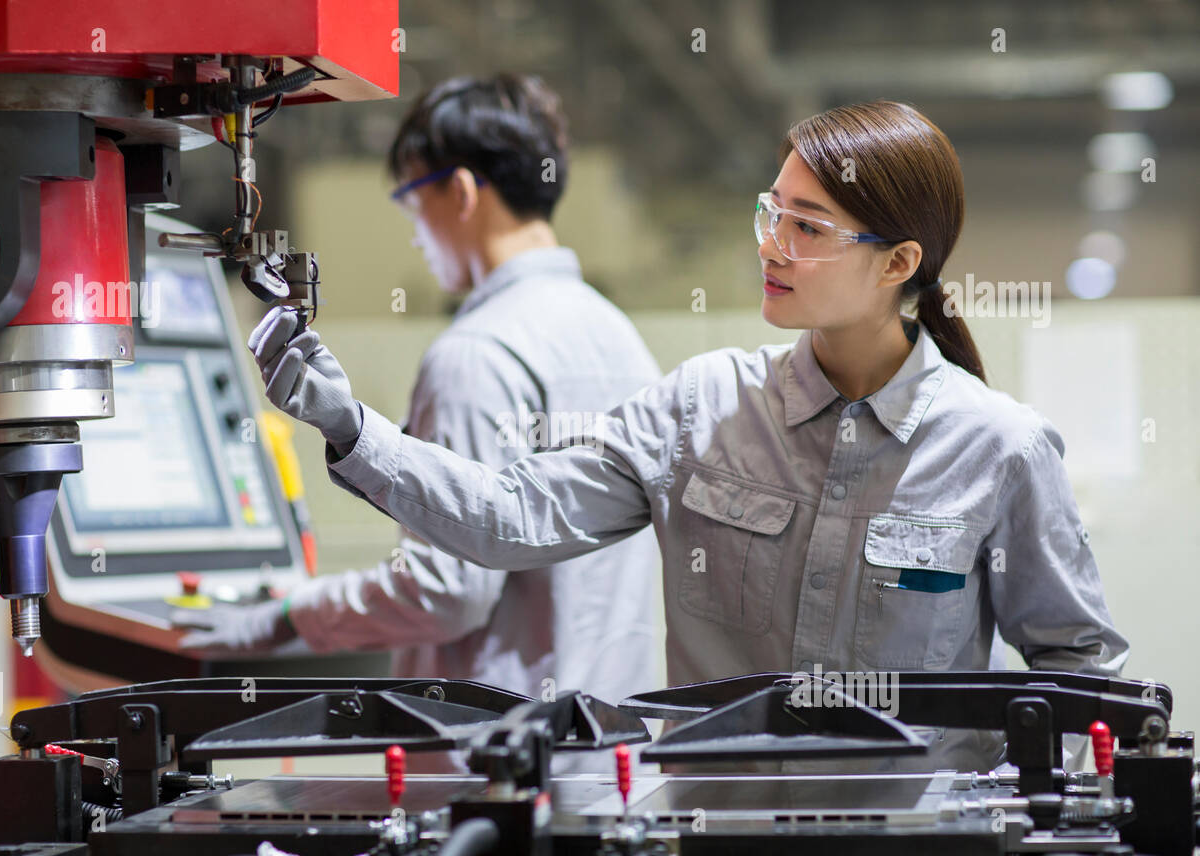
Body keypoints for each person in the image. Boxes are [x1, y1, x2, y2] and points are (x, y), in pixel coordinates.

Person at [246, 100, 1128, 774]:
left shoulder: (1000, 449)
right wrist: (352, 426)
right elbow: (510, 519)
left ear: (898, 264)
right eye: (770, 212)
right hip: (718, 842)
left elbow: (1081, 674)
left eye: (807, 228)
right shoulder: (700, 409)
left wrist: (1019, 818)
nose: (772, 246)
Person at [175, 75, 663, 730]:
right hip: (608, 754)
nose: (413, 236)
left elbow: (448, 590)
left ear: (460, 192)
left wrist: (289, 616)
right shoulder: (618, 337)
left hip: (495, 767)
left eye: (411, 204)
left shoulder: (475, 354)